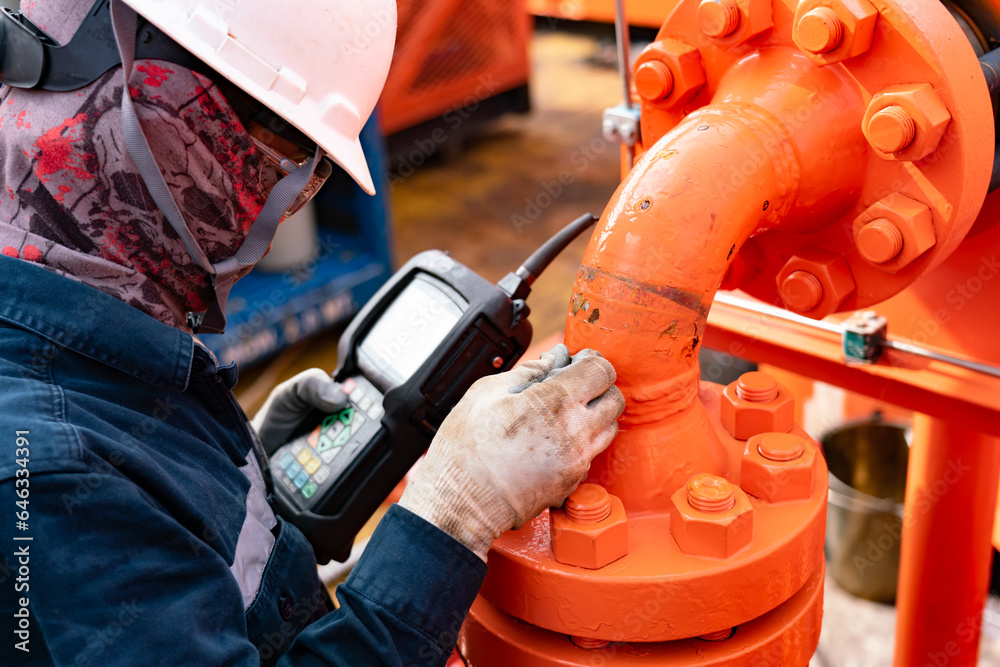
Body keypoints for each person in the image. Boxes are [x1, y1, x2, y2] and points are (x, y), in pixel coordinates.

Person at [0, 1, 626, 665]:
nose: (277, 208)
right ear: (160, 98)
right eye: (282, 158)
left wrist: (242, 488)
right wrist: (451, 519)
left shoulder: (88, 321)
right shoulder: (56, 470)